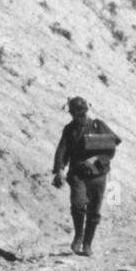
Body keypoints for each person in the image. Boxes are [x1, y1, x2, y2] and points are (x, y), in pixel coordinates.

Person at [52, 96, 121, 256]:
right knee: (77, 204)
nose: (80, 117)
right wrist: (59, 169)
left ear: (86, 112)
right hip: (77, 174)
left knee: (94, 211)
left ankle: (87, 244)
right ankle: (78, 236)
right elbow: (62, 150)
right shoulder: (69, 130)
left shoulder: (98, 126)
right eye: (76, 114)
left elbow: (111, 149)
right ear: (72, 114)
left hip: (98, 175)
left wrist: (95, 159)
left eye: (82, 114)